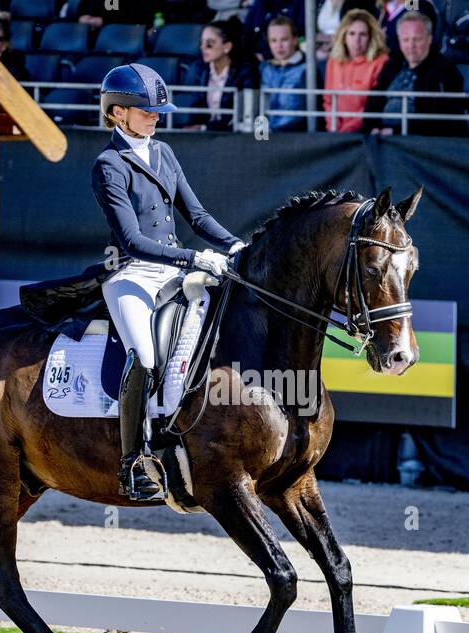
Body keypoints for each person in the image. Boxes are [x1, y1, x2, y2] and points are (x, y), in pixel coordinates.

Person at [93, 63, 245, 500]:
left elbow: (195, 215)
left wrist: (235, 246)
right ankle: (132, 461)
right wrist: (195, 256)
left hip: (174, 273)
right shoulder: (109, 165)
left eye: (159, 110)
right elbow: (133, 240)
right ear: (118, 113)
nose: (157, 116)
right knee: (144, 354)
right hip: (130, 274)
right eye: (147, 111)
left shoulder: (164, 152)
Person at [363, 11, 465, 136]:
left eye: (417, 39)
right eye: (406, 40)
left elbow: (440, 121)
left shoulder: (445, 70)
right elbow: (373, 102)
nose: (411, 46)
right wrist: (372, 127)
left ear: (429, 39)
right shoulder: (391, 66)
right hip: (383, 140)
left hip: (420, 145)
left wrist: (396, 132)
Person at [181, 19, 259, 131]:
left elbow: (243, 116)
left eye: (209, 44)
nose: (202, 47)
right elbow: (195, 109)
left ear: (227, 46)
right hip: (205, 137)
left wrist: (205, 127)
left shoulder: (246, 71)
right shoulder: (200, 69)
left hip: (235, 136)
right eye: (201, 43)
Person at [324, 9, 391, 132]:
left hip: (365, 130)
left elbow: (375, 105)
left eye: (363, 34)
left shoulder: (381, 62)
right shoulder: (333, 61)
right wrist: (333, 127)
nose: (357, 40)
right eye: (352, 34)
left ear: (371, 37)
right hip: (336, 131)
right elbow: (328, 100)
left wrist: (347, 129)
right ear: (344, 36)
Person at [261, 15, 308, 131]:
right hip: (266, 138)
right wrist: (260, 136)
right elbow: (258, 109)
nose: (279, 46)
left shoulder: (307, 70)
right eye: (273, 40)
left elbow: (306, 115)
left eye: (284, 39)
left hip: (293, 138)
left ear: (295, 40)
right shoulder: (264, 68)